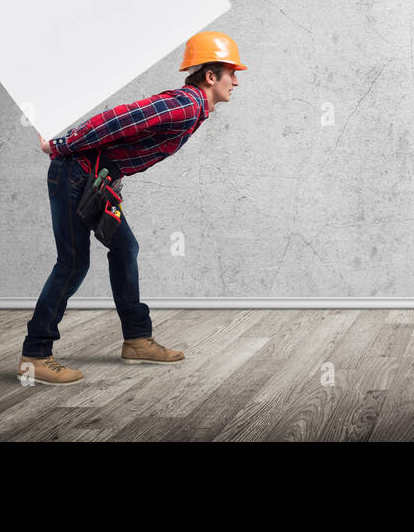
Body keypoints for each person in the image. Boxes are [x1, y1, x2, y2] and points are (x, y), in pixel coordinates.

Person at [17, 30, 247, 385]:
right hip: (75, 173)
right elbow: (120, 119)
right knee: (73, 262)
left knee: (125, 247)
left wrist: (110, 180)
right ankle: (35, 354)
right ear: (210, 76)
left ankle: (137, 340)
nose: (236, 80)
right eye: (231, 73)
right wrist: (61, 145)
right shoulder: (186, 104)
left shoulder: (195, 108)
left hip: (94, 179)